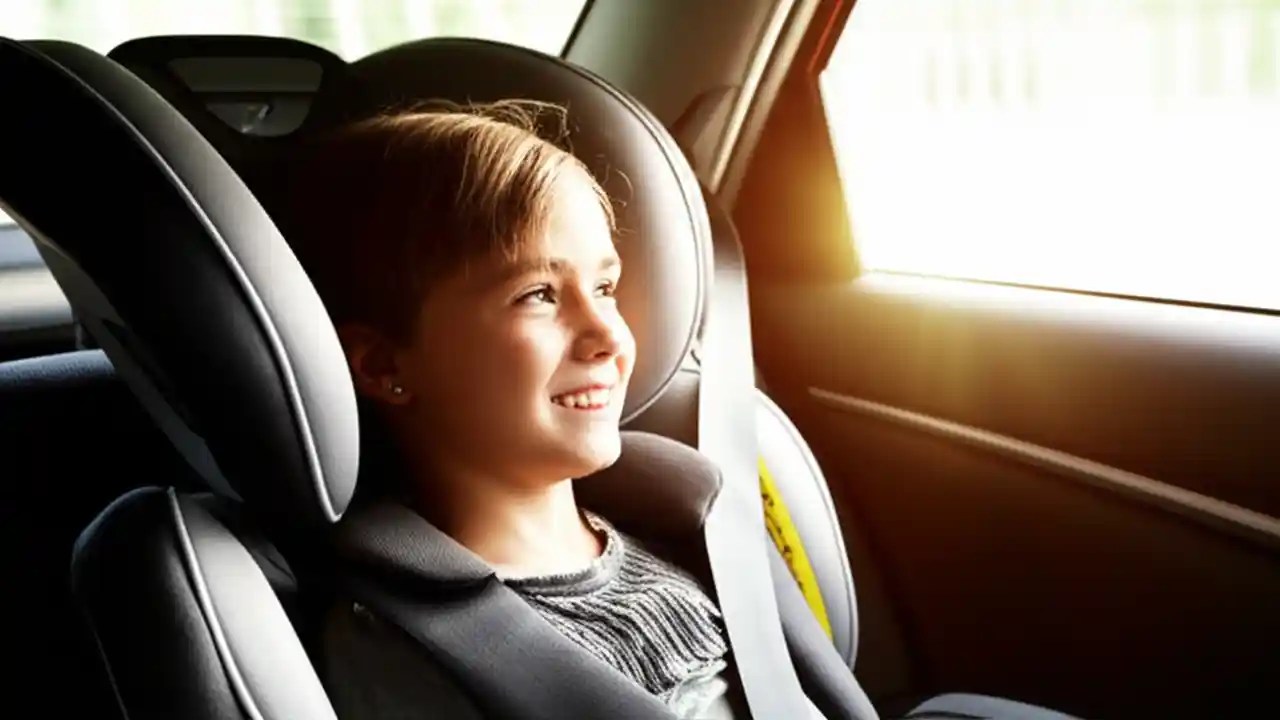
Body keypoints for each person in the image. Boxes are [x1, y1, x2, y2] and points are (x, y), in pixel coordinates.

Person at [277, 100, 752, 719]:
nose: (607, 334)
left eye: (604, 287)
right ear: (382, 366)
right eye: (538, 295)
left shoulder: (683, 515)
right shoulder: (409, 652)